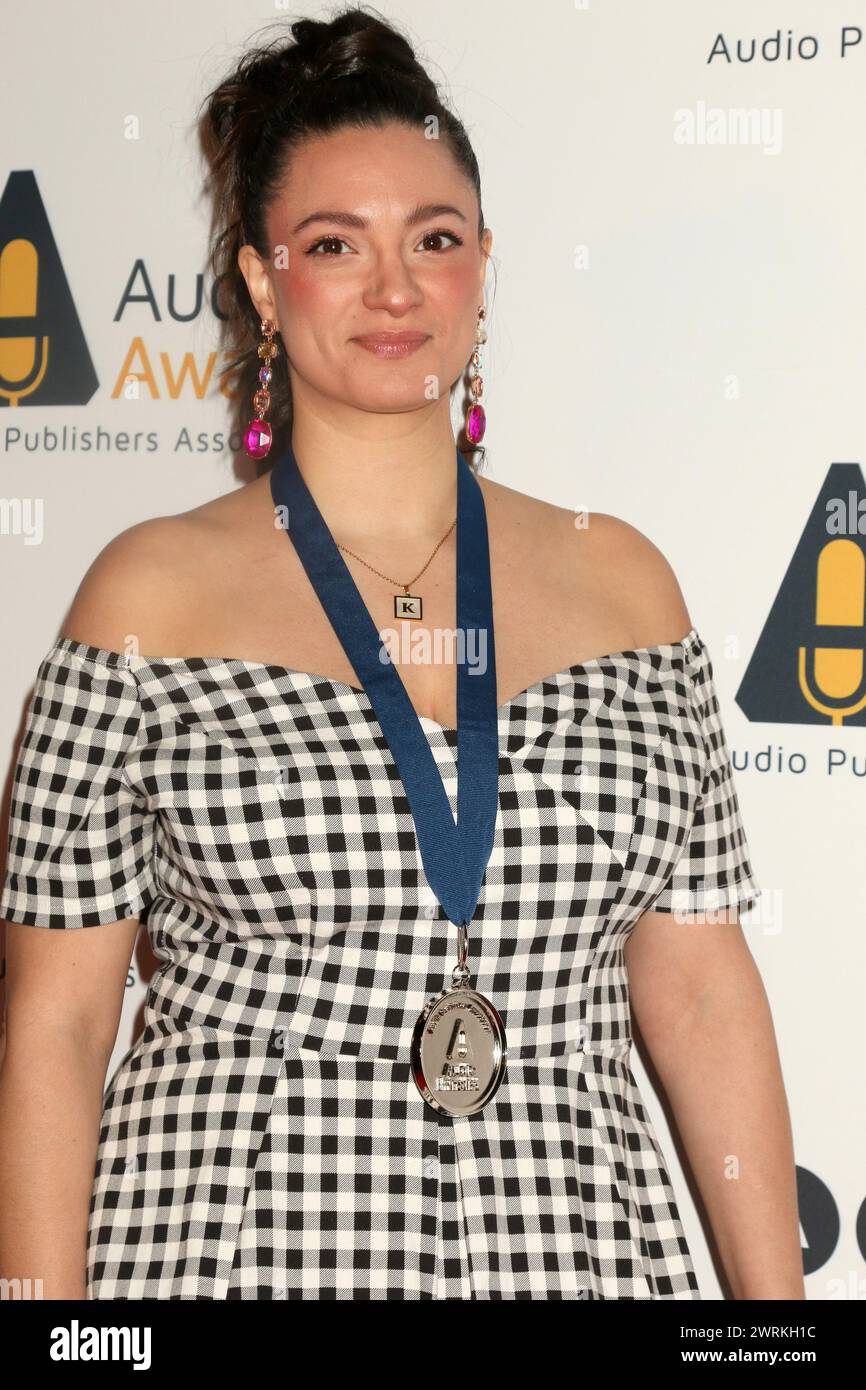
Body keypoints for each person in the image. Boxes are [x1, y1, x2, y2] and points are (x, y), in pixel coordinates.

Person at [0, 6, 804, 1300]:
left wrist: (778, 1322)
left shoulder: (624, 581)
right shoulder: (146, 597)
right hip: (233, 1243)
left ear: (484, 264)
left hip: (571, 1236)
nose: (393, 290)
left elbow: (700, 983)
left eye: (433, 241)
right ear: (263, 281)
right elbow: (58, 1019)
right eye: (335, 245)